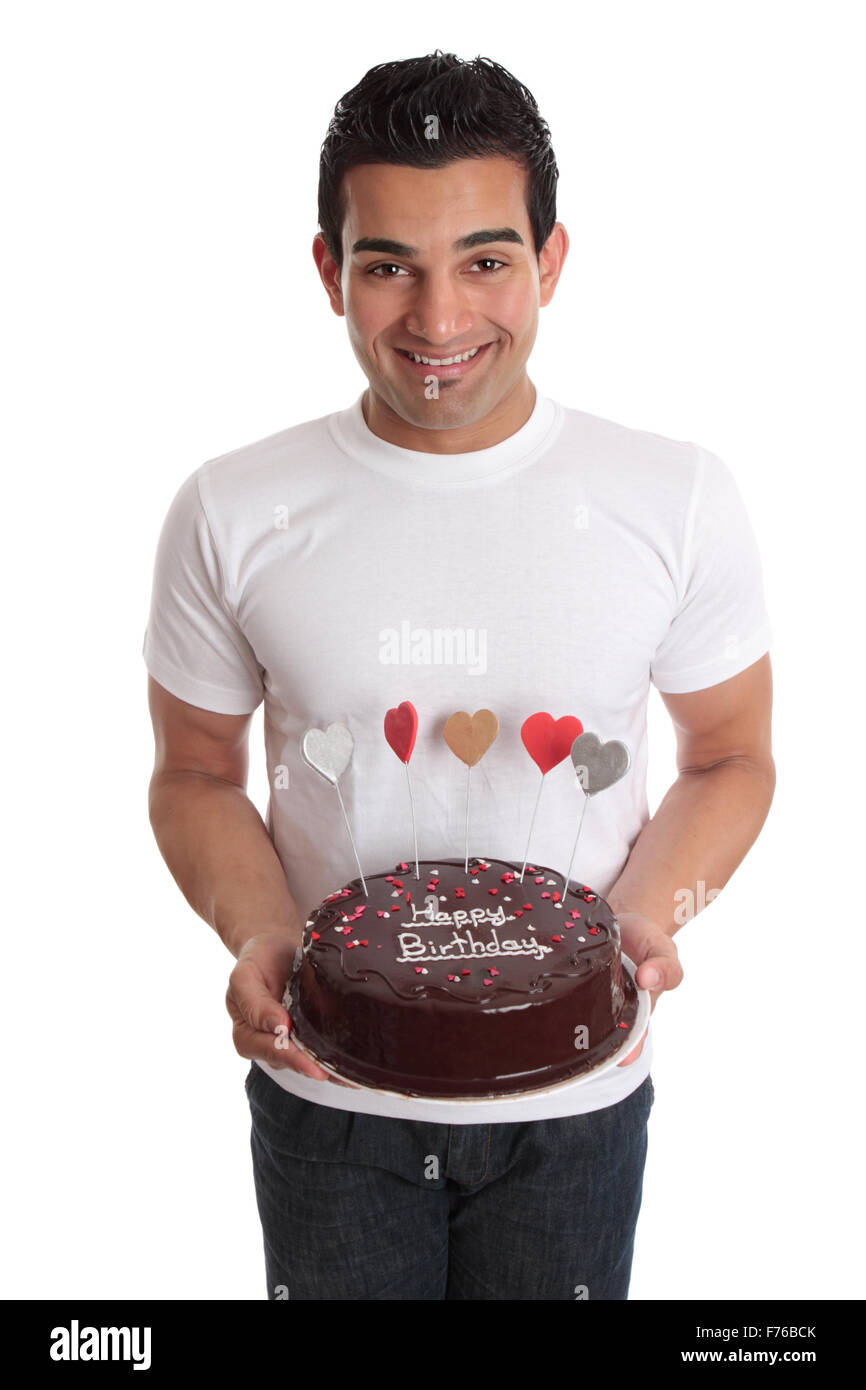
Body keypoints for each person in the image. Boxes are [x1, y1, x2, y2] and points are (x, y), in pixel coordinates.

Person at [144, 50, 775, 1301]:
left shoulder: (676, 497)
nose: (437, 322)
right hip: (327, 1101)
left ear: (548, 260)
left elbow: (729, 755)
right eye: (389, 266)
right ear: (329, 270)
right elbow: (195, 774)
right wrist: (263, 931)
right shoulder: (230, 508)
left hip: (579, 1106)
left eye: (484, 260)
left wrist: (647, 921)